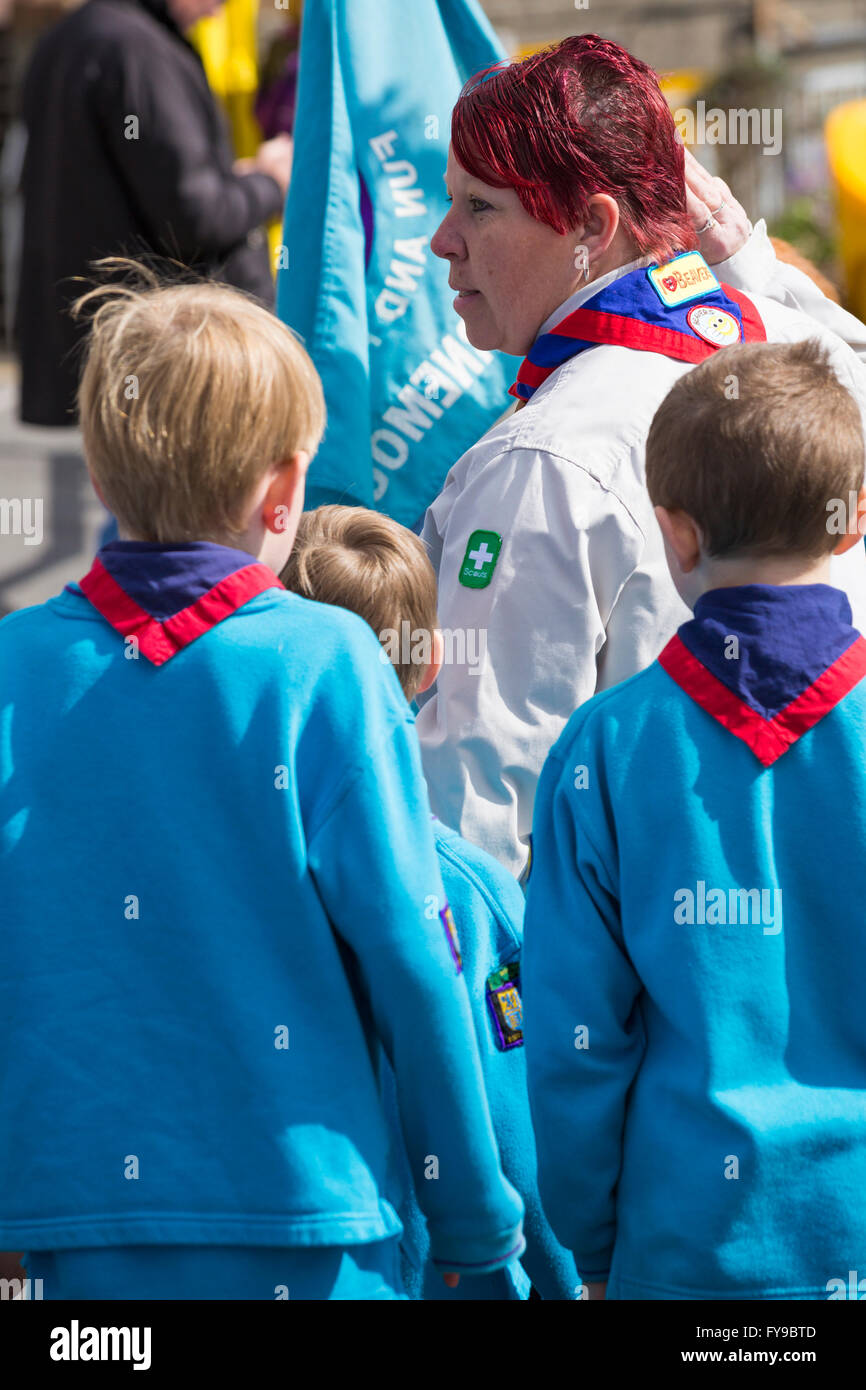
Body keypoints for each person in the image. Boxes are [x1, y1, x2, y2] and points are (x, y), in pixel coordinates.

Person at [0, 266, 524, 1299]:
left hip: (74, 1230)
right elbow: (414, 961)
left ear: (100, 480)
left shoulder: (17, 662)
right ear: (287, 492)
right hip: (315, 1227)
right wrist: (476, 1218)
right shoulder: (326, 661)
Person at [414, 33, 866, 881]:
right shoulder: (815, 360)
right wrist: (748, 266)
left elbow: (479, 823)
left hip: (638, 994)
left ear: (591, 225)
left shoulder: (538, 465)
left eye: (480, 207)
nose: (443, 240)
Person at [522, 337, 866, 1300]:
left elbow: (574, 1037)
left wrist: (589, 1244)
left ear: (673, 534)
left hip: (685, 1251)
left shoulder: (603, 747)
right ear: (853, 524)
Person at [281, 504, 578, 1300]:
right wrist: (569, 1278)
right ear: (431, 661)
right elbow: (521, 1137)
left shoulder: (232, 869)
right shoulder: (473, 891)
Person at [15, 0, 293, 426]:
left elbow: (143, 185)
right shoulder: (139, 51)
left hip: (100, 353)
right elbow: (197, 218)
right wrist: (269, 181)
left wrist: (231, 181)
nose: (220, 10)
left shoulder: (72, 35)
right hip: (157, 359)